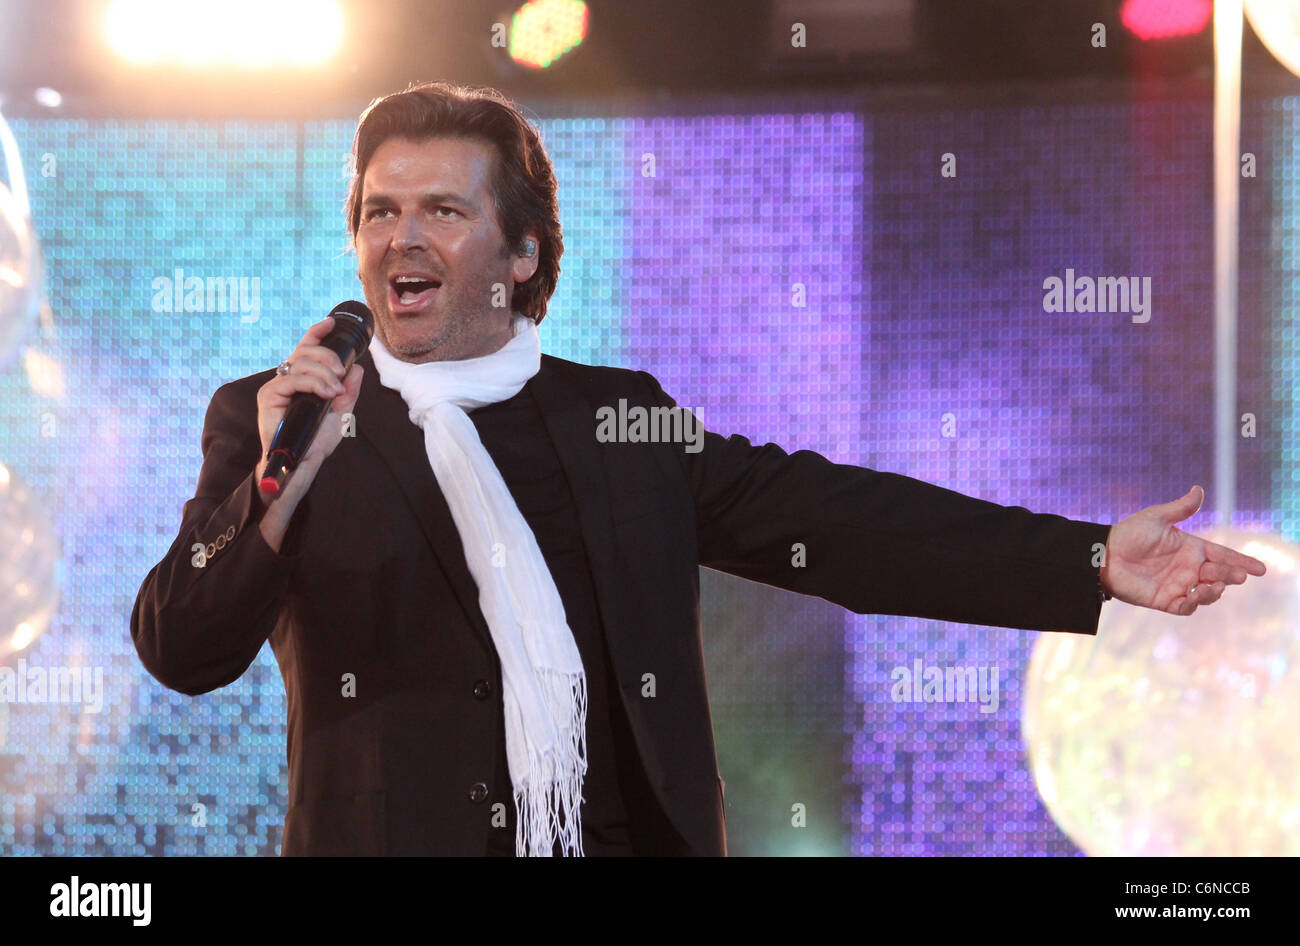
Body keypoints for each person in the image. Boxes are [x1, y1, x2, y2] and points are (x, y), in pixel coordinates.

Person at [130, 81, 1268, 857]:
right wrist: (281, 480)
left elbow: (841, 522)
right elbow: (182, 643)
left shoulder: (614, 421)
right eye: (379, 211)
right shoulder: (281, 418)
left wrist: (1085, 557)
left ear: (521, 253)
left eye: (440, 208)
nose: (400, 238)